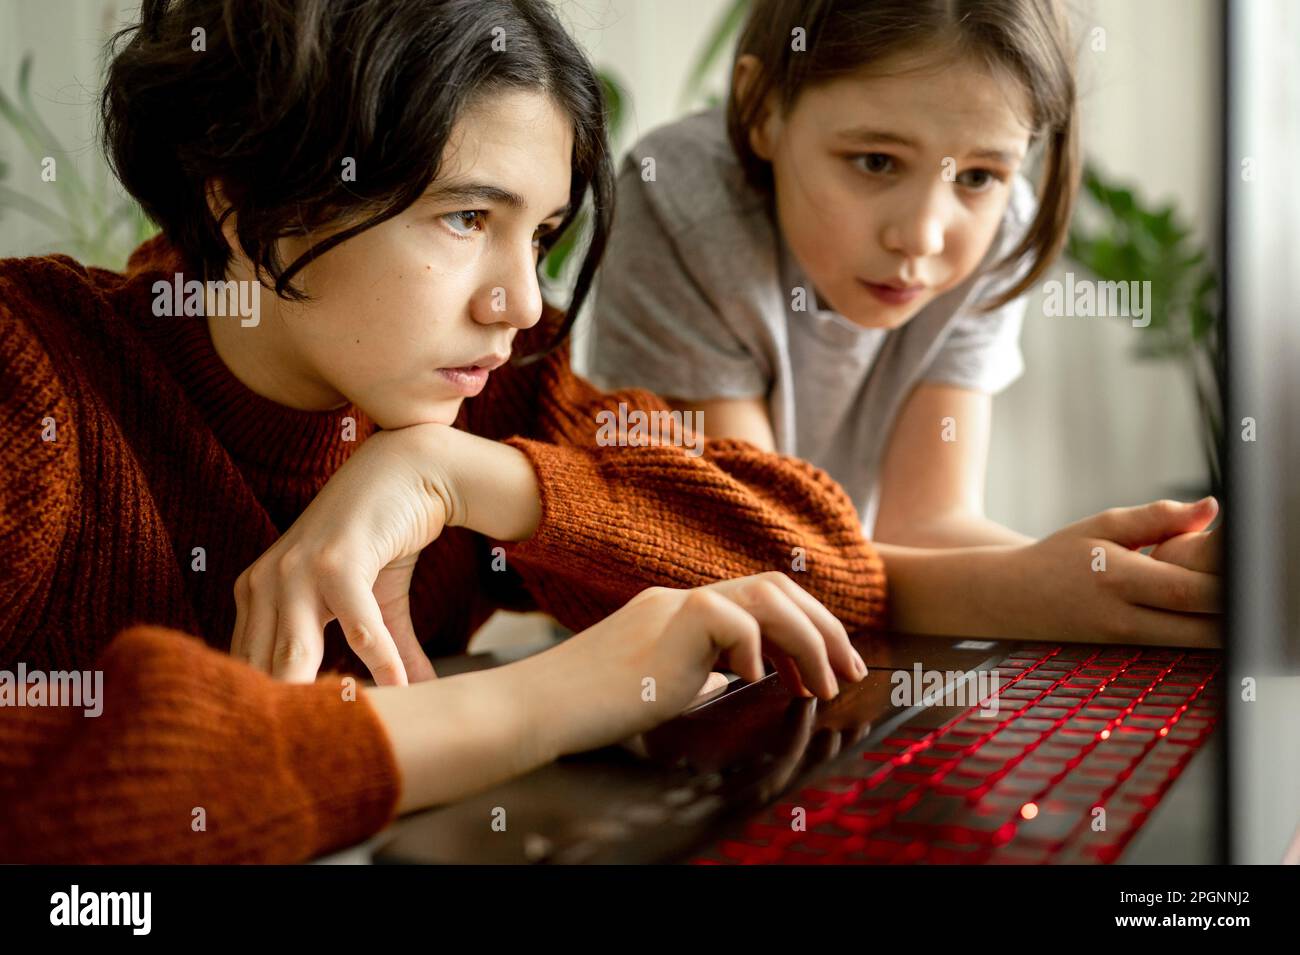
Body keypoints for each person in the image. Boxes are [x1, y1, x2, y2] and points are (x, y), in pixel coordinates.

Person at [0, 0, 877, 864]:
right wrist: (537, 702)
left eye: (540, 235)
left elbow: (831, 571)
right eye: (466, 218)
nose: (522, 300)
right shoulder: (30, 373)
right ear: (244, 201)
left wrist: (450, 474)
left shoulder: (497, 389)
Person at [586, 0, 1222, 644]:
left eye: (977, 175)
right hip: (671, 659)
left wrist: (1138, 578)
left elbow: (926, 524)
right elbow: (749, 553)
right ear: (762, 109)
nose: (921, 237)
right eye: (876, 162)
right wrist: (1029, 591)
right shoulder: (683, 202)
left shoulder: (996, 232)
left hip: (835, 634)